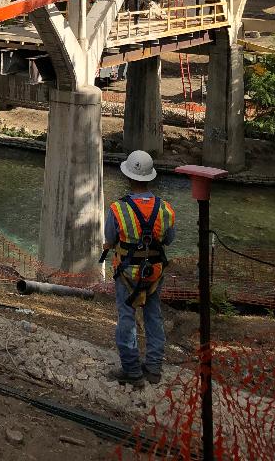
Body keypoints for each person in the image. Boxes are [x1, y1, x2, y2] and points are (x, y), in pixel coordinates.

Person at [102, 150, 176, 386]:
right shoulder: (165, 209)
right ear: (149, 177)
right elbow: (168, 239)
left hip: (126, 272)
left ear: (128, 176)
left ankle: (132, 369)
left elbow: (111, 239)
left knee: (127, 316)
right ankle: (153, 368)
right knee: (153, 315)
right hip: (154, 271)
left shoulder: (117, 209)